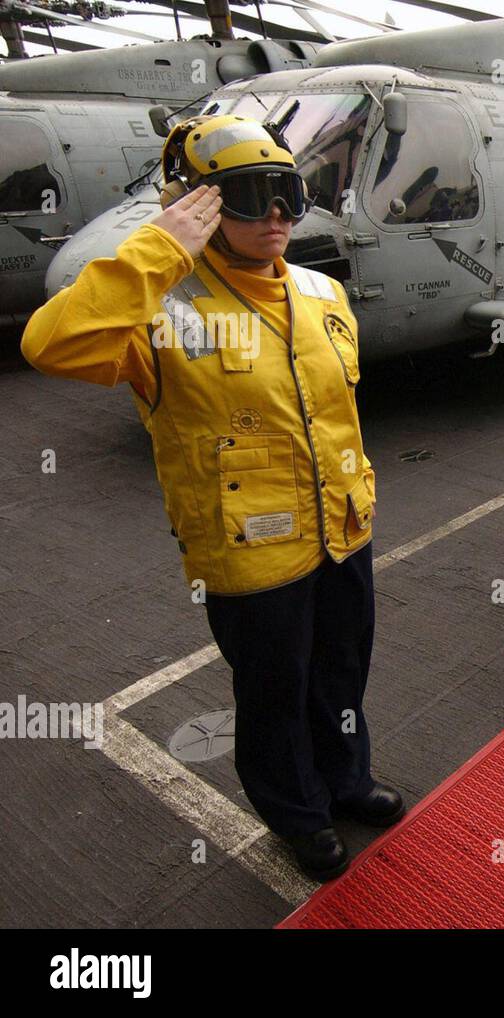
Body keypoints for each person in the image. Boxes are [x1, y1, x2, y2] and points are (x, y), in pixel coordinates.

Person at [21, 114, 402, 882]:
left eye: (290, 194)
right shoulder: (158, 311)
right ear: (196, 208)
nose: (277, 217)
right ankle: (297, 813)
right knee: (274, 691)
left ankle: (347, 779)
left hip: (342, 529)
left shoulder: (323, 290)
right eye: (252, 197)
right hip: (250, 552)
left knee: (340, 671)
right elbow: (49, 345)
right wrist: (158, 250)